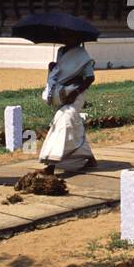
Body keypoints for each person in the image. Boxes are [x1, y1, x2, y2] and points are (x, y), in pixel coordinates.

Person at [38, 39, 97, 174]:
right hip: (62, 93)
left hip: (76, 94)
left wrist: (75, 92)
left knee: (63, 121)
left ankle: (51, 164)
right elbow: (61, 71)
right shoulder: (61, 51)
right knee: (74, 125)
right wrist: (53, 68)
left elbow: (90, 78)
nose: (65, 37)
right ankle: (90, 158)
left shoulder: (83, 55)